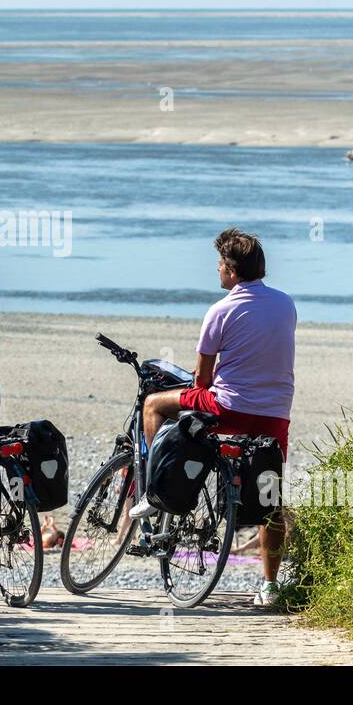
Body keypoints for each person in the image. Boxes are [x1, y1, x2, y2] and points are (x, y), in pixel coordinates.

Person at [128, 227, 296, 608]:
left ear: (232, 272)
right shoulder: (286, 304)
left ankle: (157, 488)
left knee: (154, 403)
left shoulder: (220, 311)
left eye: (220, 265)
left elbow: (202, 379)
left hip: (228, 409)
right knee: (271, 499)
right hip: (273, 417)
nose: (217, 270)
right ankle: (269, 586)